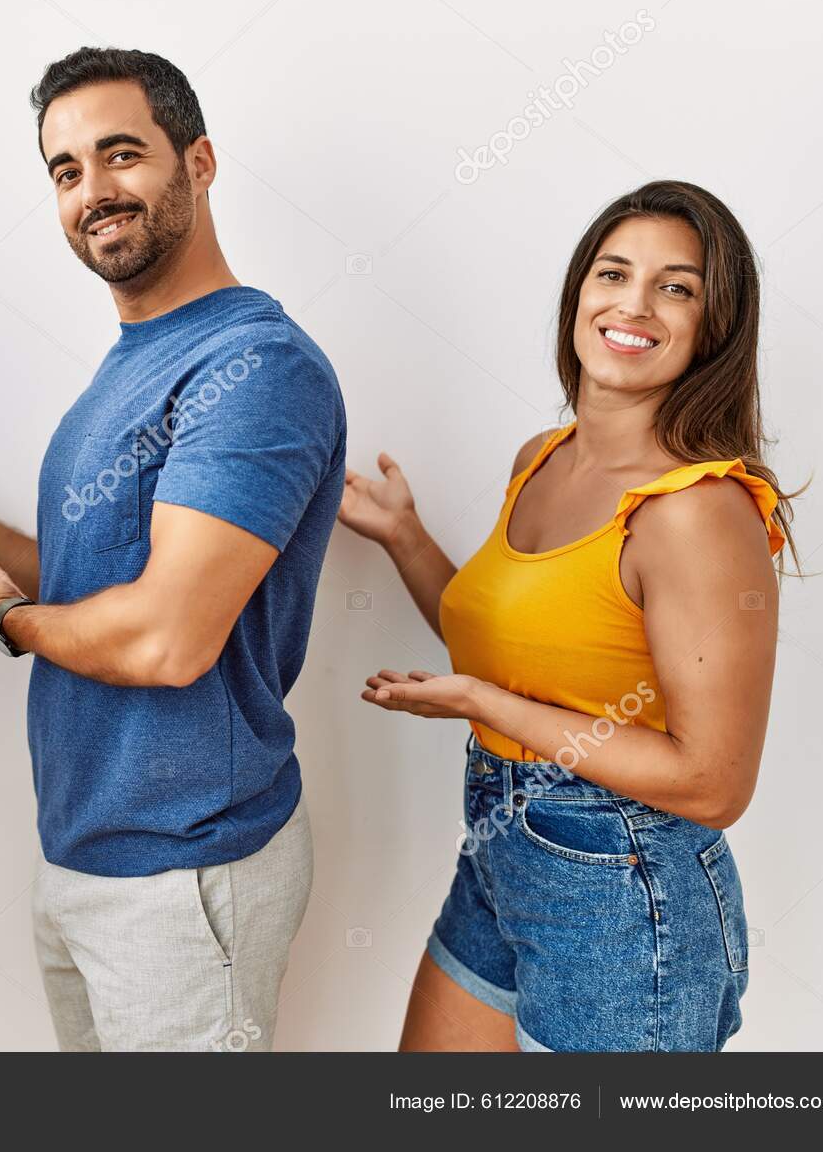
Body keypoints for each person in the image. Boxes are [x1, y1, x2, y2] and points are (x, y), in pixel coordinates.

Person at [0, 48, 347, 1051]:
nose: (93, 192)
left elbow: (165, 639)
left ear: (197, 162)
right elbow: (96, 585)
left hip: (185, 871)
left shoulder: (252, 367)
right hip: (87, 856)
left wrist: (2, 619)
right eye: (66, 171)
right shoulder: (129, 368)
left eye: (121, 155)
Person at [337, 180, 797, 1051]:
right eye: (613, 272)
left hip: (624, 885)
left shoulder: (696, 514)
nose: (635, 303)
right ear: (578, 294)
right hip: (504, 850)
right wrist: (403, 535)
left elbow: (715, 782)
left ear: (716, 325)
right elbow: (517, 654)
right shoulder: (540, 458)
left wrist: (484, 707)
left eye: (678, 286)